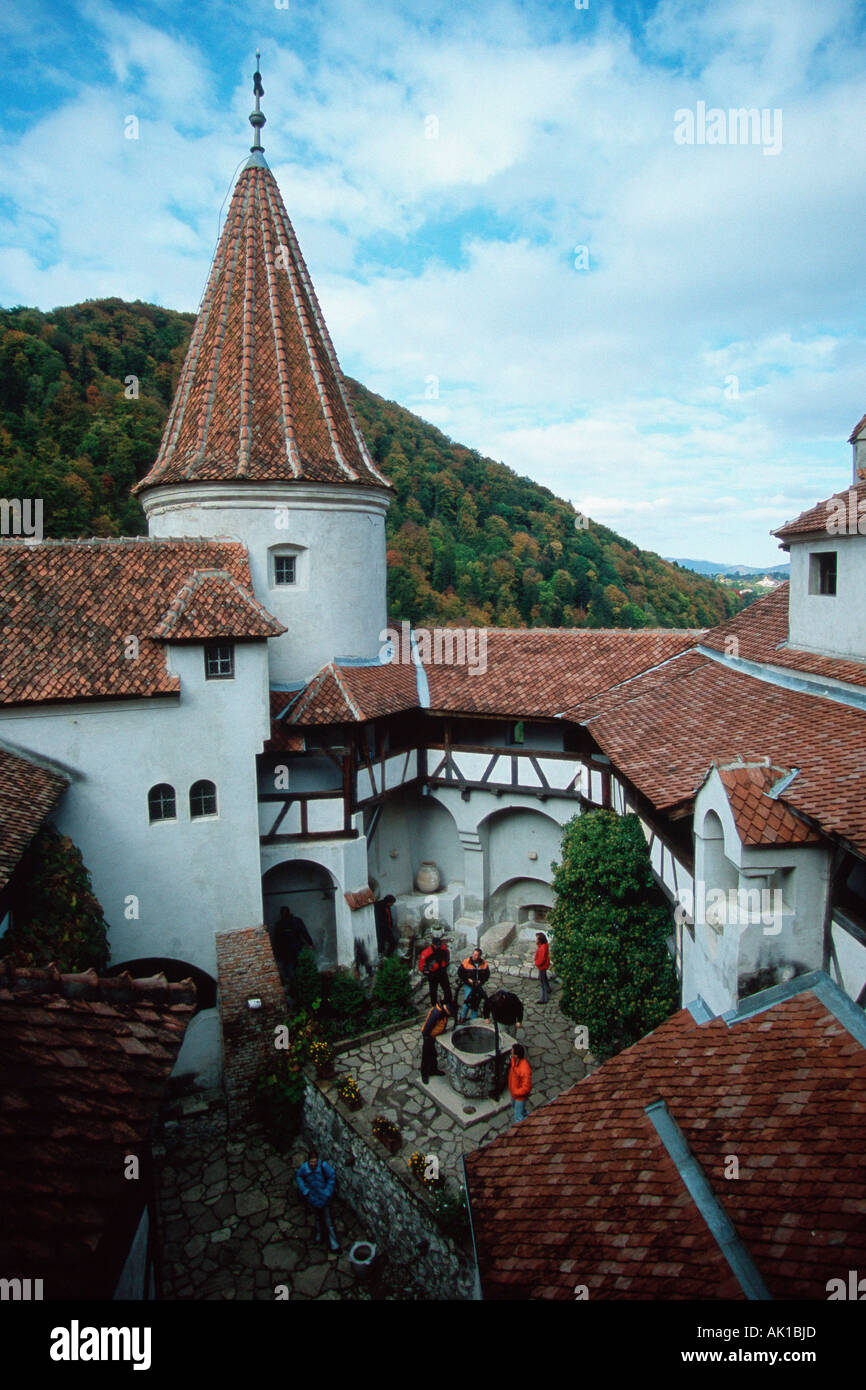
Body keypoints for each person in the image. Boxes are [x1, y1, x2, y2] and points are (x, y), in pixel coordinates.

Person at [296, 1150, 341, 1253]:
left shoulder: (323, 1166)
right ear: (308, 1161)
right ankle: (319, 1235)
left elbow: (332, 1177)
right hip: (312, 1198)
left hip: (324, 1198)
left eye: (315, 1162)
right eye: (311, 1162)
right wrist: (305, 1190)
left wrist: (327, 1191)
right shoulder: (304, 1168)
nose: (313, 1164)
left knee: (328, 1221)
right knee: (317, 1218)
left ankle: (334, 1244)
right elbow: (299, 1177)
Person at [420, 999, 450, 1083]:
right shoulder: (436, 1013)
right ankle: (424, 1074)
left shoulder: (443, 1013)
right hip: (428, 1036)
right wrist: (427, 1037)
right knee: (426, 1056)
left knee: (433, 1054)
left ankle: (433, 1070)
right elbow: (428, 1026)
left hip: (434, 1036)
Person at [418, 935, 453, 1007]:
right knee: (433, 991)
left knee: (447, 988)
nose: (438, 946)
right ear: (433, 944)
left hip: (442, 972)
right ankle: (434, 1006)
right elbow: (421, 966)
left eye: (439, 945)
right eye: (437, 945)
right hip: (432, 974)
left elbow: (447, 956)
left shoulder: (443, 948)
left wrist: (445, 965)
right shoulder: (426, 953)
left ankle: (448, 1003)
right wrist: (428, 973)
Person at [457, 947, 490, 1022]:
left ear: (479, 956)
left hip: (478, 985)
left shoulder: (484, 963)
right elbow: (460, 973)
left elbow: (487, 975)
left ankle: (473, 1019)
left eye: (476, 955)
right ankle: (462, 1017)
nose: (474, 956)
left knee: (476, 1002)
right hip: (469, 985)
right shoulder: (466, 962)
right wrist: (467, 979)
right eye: (474, 954)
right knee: (467, 1000)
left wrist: (481, 981)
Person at [508, 1042, 532, 1122]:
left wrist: (516, 1092)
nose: (511, 1054)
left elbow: (526, 1087)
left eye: (512, 1053)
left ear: (516, 1056)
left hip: (519, 1096)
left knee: (518, 1118)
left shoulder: (525, 1069)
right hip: (514, 1093)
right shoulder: (514, 1060)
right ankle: (526, 1115)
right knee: (516, 1107)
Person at [373, 893, 398, 957]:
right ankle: (383, 957)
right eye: (392, 903)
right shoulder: (379, 907)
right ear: (388, 902)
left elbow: (389, 916)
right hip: (381, 929)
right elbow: (380, 920)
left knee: (393, 942)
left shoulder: (387, 906)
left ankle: (388, 956)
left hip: (387, 928)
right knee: (382, 944)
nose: (392, 904)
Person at [534, 931, 551, 1003]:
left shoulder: (542, 949)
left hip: (542, 967)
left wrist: (536, 963)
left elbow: (541, 960)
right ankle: (548, 989)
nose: (536, 940)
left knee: (542, 983)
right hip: (544, 966)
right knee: (544, 978)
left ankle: (543, 999)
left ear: (540, 940)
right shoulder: (544, 946)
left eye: (537, 939)